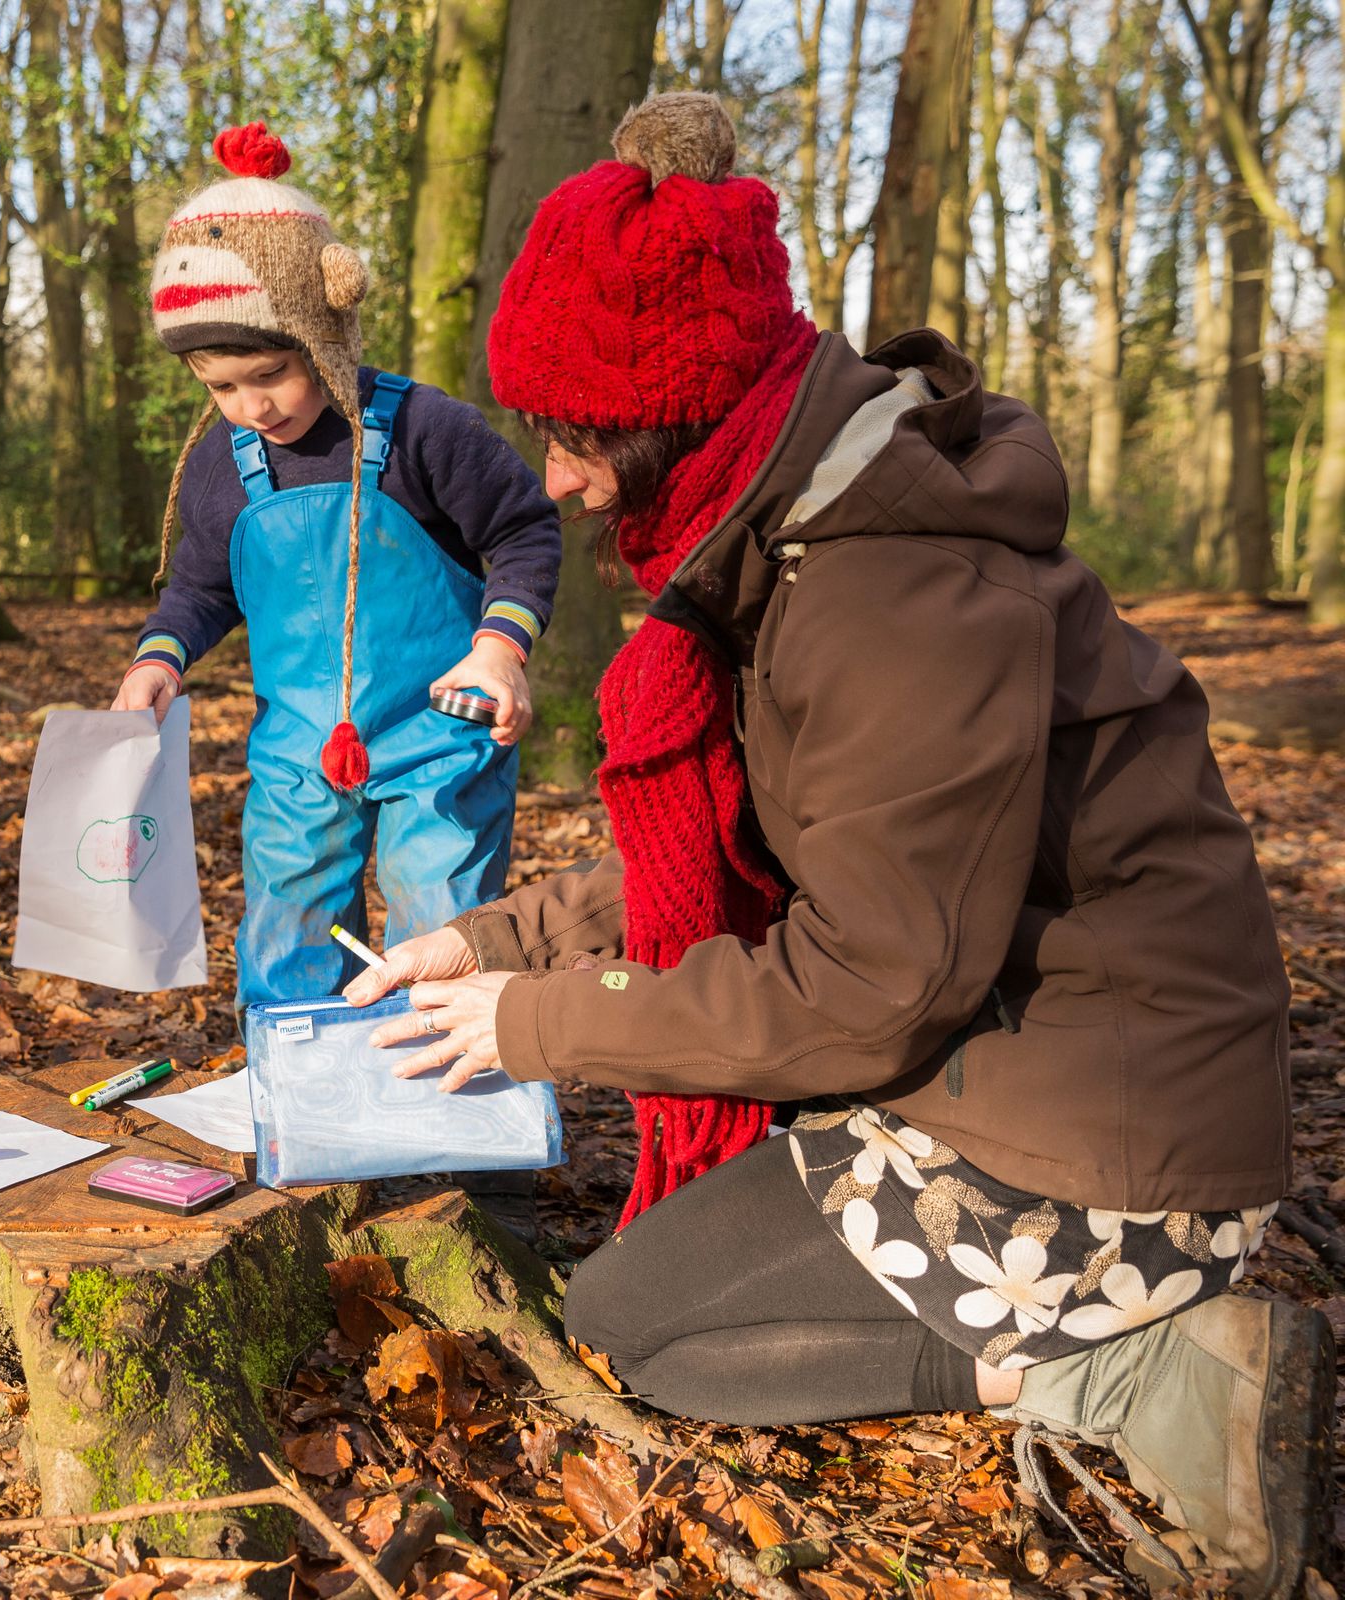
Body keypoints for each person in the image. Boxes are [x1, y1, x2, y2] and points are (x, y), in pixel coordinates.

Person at [347, 95, 1331, 1592]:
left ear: (669, 413)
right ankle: (1092, 1346)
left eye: (568, 436)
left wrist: (544, 1025)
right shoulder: (807, 535)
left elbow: (870, 978)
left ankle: (1132, 1370)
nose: (550, 478)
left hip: (1111, 1133)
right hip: (1014, 1055)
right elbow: (758, 856)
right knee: (639, 1311)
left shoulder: (882, 595)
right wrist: (496, 944)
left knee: (644, 1335)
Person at [110, 122, 561, 1016]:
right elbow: (202, 586)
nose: (250, 406)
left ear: (325, 328)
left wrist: (503, 644)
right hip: (299, 752)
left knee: (446, 924)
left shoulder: (425, 431)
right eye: (220, 386)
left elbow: (523, 533)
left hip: (442, 738)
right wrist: (158, 658)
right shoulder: (220, 464)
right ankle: (310, 1111)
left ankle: (465, 1130)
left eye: (270, 373)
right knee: (289, 925)